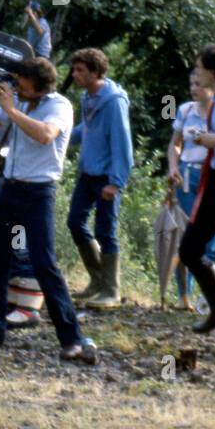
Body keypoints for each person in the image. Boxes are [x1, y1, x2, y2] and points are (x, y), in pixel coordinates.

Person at [0, 58, 97, 364]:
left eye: (22, 83)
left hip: (39, 191)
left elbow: (46, 135)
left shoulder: (58, 105)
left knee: (44, 263)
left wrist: (10, 109)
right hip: (10, 186)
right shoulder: (20, 101)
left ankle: (72, 339)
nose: (17, 87)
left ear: (39, 85)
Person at [66, 47, 134, 309]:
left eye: (80, 70)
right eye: (74, 69)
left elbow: (122, 142)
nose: (74, 75)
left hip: (107, 175)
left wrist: (116, 182)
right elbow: (88, 127)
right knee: (75, 222)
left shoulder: (114, 101)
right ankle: (97, 280)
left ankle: (111, 290)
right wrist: (65, 137)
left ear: (96, 72)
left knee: (106, 231)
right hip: (87, 172)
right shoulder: (88, 97)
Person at [168, 71, 215, 311]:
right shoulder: (185, 110)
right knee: (187, 235)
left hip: (212, 175)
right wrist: (173, 166)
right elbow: (175, 143)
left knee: (212, 242)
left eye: (198, 83)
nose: (194, 88)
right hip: (188, 175)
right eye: (191, 84)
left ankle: (210, 297)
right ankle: (183, 295)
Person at [179, 44, 215, 333]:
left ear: (214, 71)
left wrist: (212, 140)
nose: (196, 74)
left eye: (200, 68)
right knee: (190, 249)